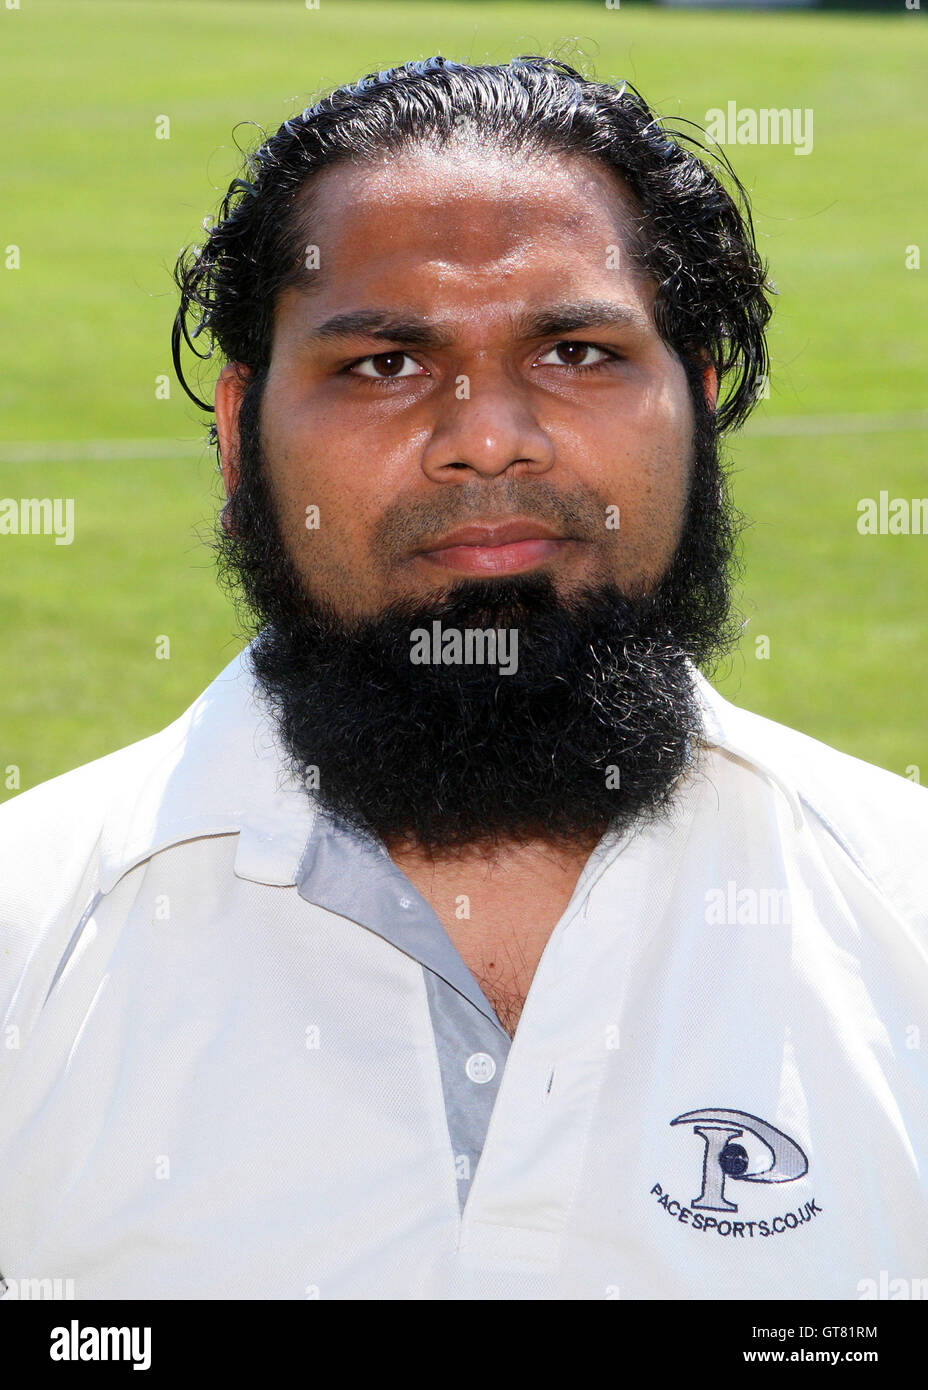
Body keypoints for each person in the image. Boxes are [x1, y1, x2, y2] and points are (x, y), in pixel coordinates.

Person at [1, 56, 925, 1301]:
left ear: (698, 411)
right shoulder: (32, 937)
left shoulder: (899, 913)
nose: (487, 434)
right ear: (238, 436)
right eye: (384, 365)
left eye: (578, 351)